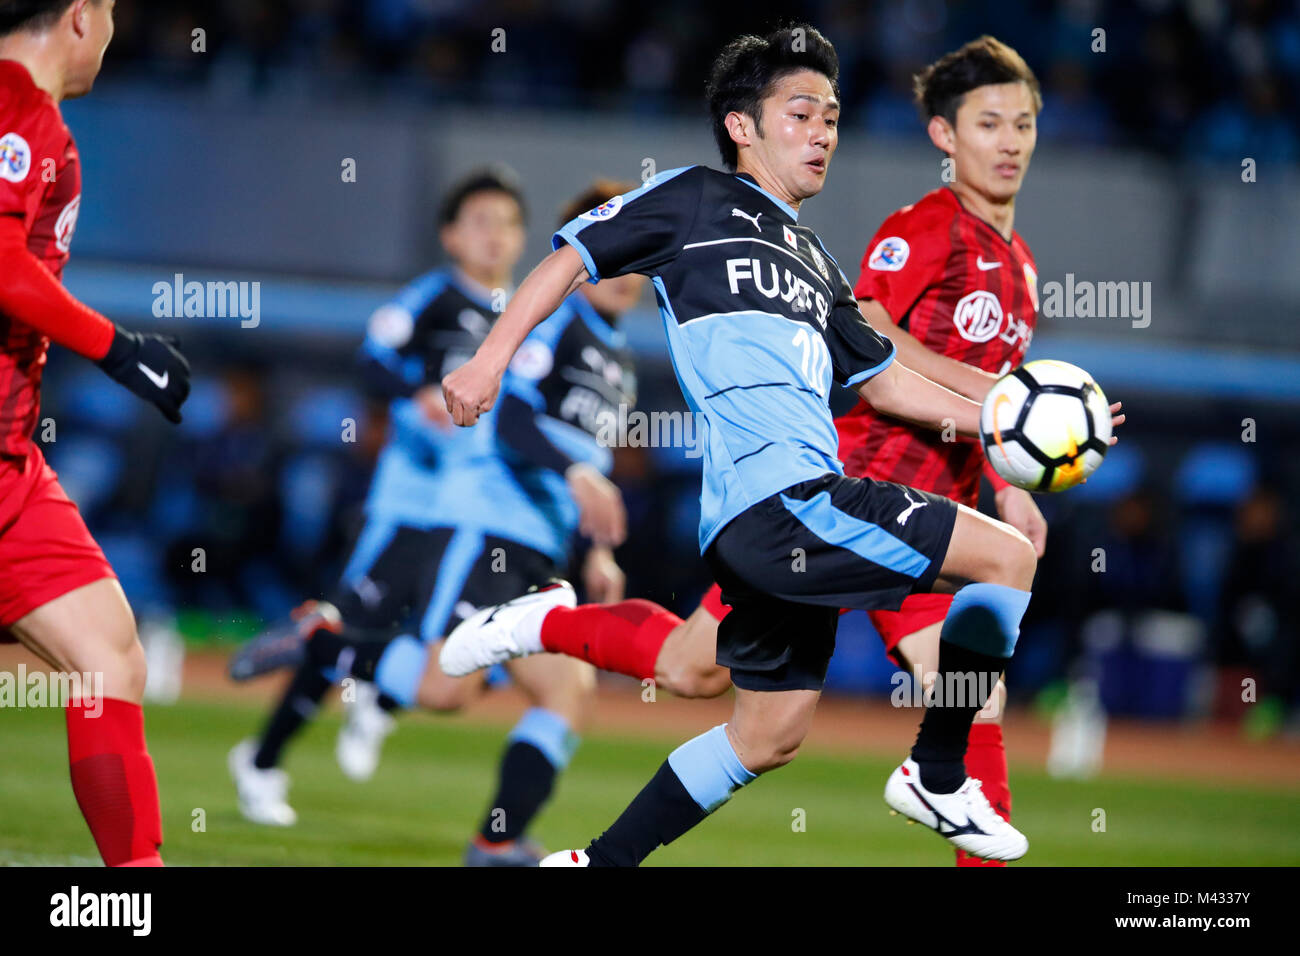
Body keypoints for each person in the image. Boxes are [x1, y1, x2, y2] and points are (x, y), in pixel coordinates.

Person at [442, 24, 1118, 866]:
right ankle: (937, 774)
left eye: (832, 117)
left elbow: (887, 384)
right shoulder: (691, 199)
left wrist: (1013, 423)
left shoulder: (817, 263)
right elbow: (572, 258)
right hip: (789, 505)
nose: (823, 133)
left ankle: (597, 859)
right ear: (741, 126)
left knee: (766, 733)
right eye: (801, 114)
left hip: (785, 520)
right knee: (1008, 561)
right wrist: (490, 360)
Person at [229, 177, 639, 866]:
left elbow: (581, 459)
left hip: (538, 544)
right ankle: (328, 651)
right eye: (616, 253)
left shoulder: (618, 357)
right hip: (488, 531)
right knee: (445, 690)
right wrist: (574, 475)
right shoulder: (552, 322)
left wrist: (595, 548)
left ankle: (494, 842)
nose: (628, 271)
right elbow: (510, 420)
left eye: (641, 255)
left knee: (568, 695)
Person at [0, 0, 191, 867]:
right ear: (80, 16)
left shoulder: (39, 123)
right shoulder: (15, 107)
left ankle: (136, 891)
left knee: (107, 656)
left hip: (11, 466)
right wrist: (121, 350)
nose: (114, 30)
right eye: (111, 10)